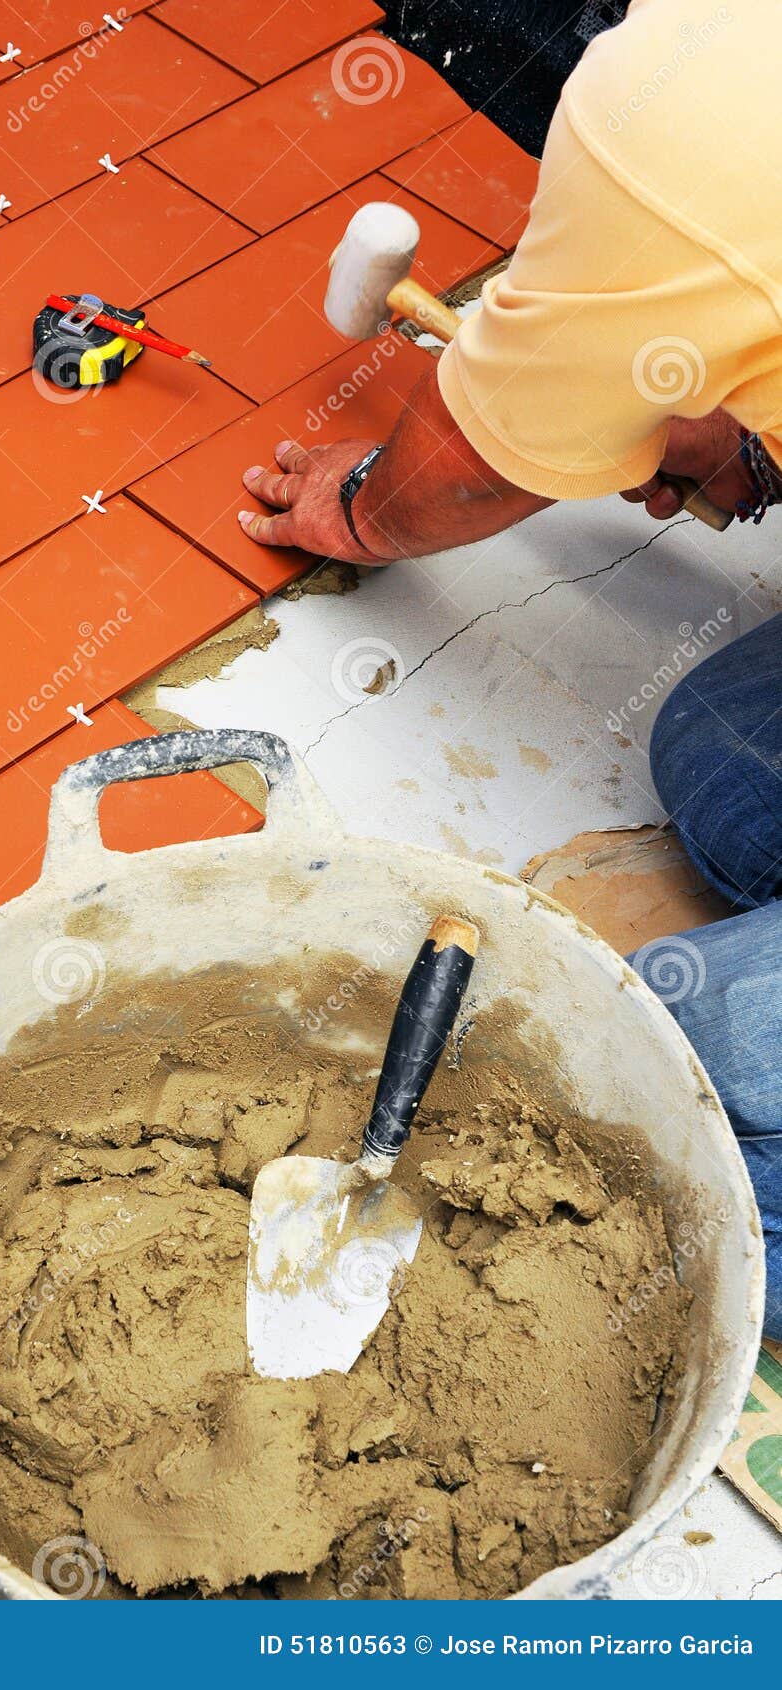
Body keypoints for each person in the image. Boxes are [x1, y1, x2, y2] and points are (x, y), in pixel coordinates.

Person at [239, 0, 781, 1340]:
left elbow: (473, 464)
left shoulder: (687, 112)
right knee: (719, 766)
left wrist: (365, 508)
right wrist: (749, 428)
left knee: (679, 1081)